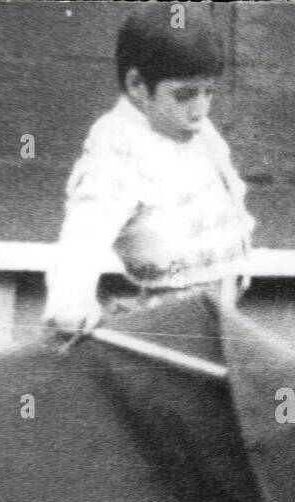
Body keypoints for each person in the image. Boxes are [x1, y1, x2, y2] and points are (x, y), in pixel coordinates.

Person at [44, 8, 255, 331]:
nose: (201, 109)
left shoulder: (188, 124)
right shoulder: (117, 150)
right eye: (185, 94)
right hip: (171, 323)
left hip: (219, 312)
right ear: (137, 85)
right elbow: (83, 235)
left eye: (208, 91)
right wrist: (70, 303)